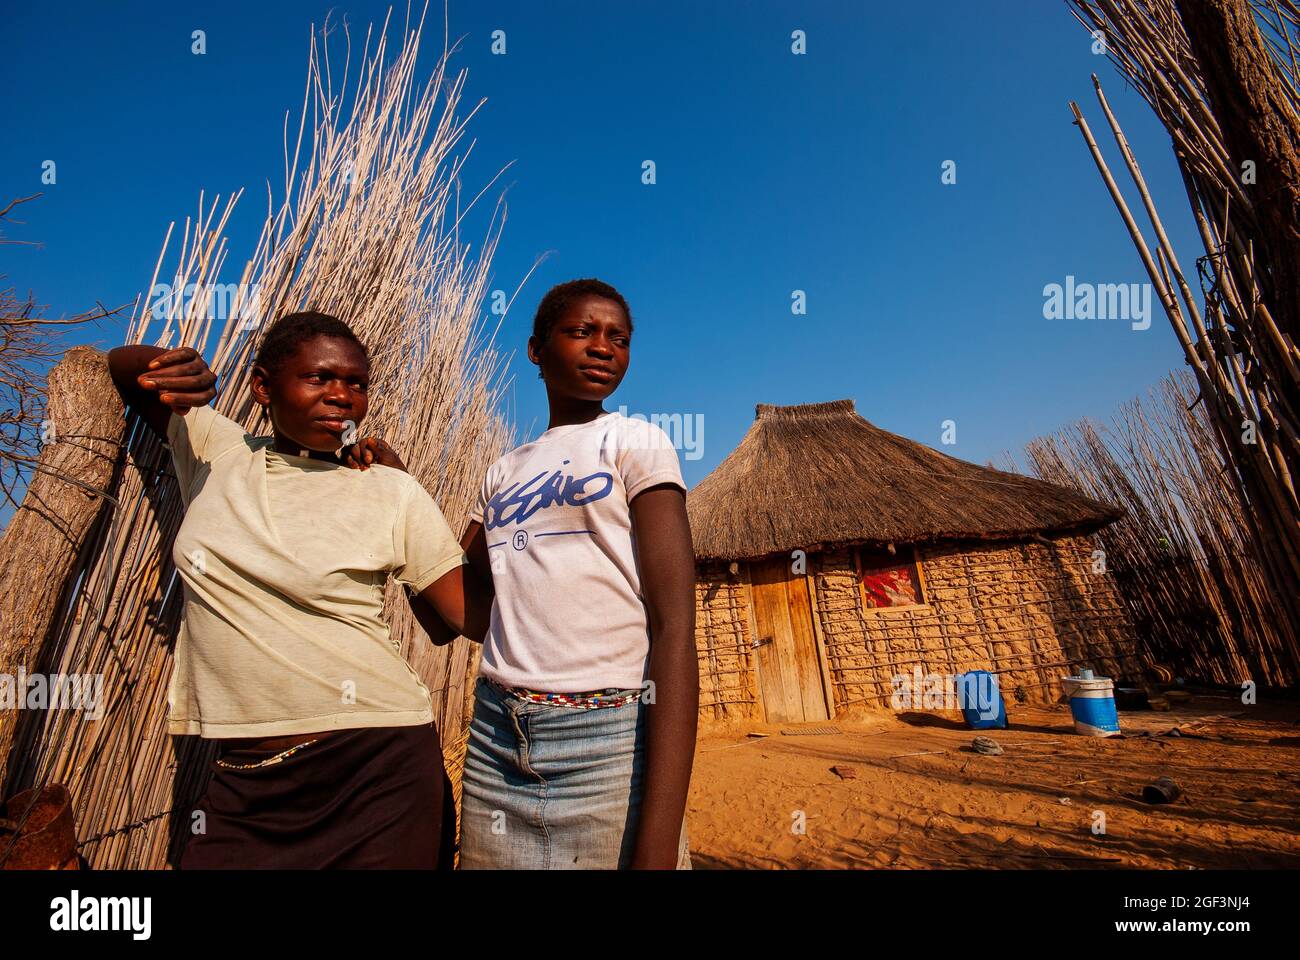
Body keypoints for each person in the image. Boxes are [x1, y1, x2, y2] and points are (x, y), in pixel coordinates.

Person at [107, 310, 490, 869]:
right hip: (245, 774)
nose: (342, 395)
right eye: (320, 378)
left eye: (356, 384)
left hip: (378, 763)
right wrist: (170, 365)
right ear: (263, 386)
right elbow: (122, 371)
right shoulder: (218, 453)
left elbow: (468, 617)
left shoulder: (389, 489)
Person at [450, 278, 698, 869]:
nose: (603, 347)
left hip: (609, 742)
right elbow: (464, 601)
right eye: (581, 331)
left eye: (619, 337)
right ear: (536, 349)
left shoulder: (635, 442)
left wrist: (659, 841)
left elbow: (675, 627)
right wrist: (394, 489)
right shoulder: (501, 472)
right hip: (494, 740)